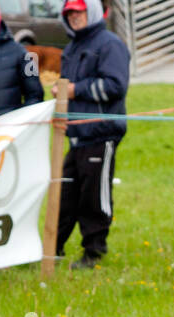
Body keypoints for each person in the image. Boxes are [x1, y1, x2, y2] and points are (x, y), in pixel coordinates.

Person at [53, 0, 128, 270]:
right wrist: (61, 104)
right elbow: (68, 88)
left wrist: (74, 90)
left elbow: (115, 86)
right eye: (69, 12)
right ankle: (53, 249)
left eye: (79, 11)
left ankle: (94, 253)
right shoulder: (72, 48)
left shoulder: (110, 44)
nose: (74, 17)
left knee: (94, 196)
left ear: (93, 11)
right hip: (76, 136)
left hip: (101, 134)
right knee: (65, 194)